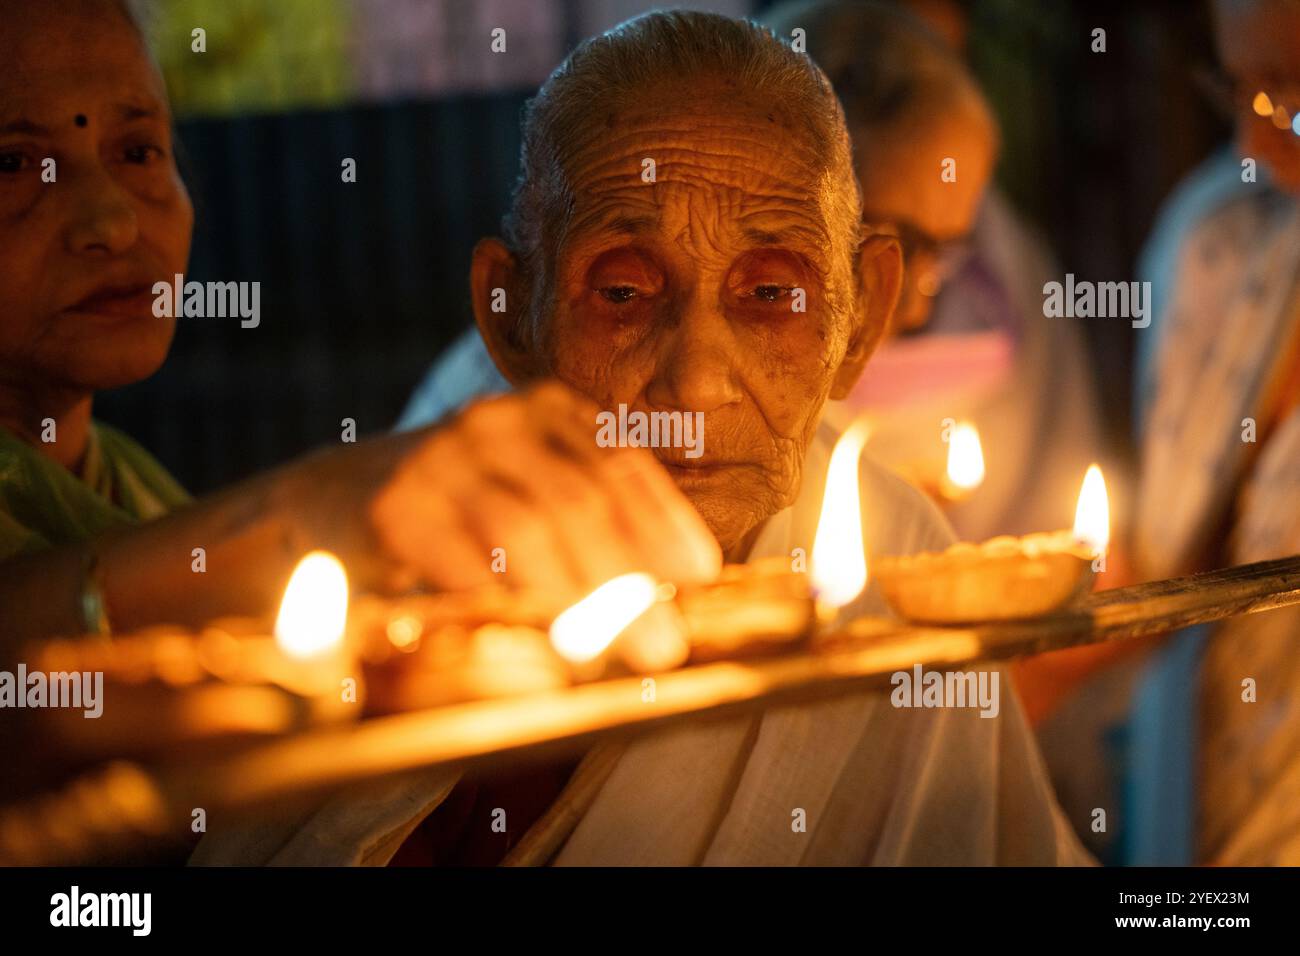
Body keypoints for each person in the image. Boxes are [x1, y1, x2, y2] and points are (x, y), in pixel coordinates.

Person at [191, 10, 1091, 866]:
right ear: (510, 318)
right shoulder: (413, 601)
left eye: (772, 294)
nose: (696, 380)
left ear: (860, 323)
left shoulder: (894, 575)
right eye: (622, 294)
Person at [0, 0, 720, 666]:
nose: (112, 221)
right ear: (507, 307)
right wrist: (303, 517)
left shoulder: (133, 492)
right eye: (13, 164)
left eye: (138, 151)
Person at [1120, 0, 1300, 865]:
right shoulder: (1221, 235)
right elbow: (1162, 562)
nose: (1252, 146)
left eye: (1295, 88)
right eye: (1241, 88)